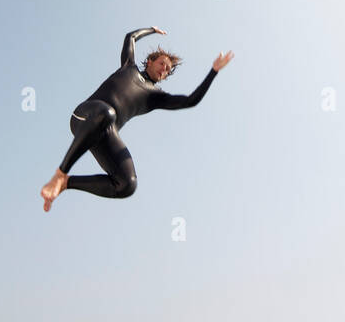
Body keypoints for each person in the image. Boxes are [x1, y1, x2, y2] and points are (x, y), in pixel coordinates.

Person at [41, 27, 233, 210]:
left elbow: (190, 100)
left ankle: (66, 183)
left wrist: (213, 72)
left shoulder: (155, 97)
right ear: (150, 61)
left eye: (167, 70)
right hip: (85, 116)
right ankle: (60, 173)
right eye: (162, 64)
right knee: (107, 114)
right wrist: (152, 30)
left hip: (104, 131)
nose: (164, 69)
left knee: (127, 184)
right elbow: (130, 37)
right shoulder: (128, 67)